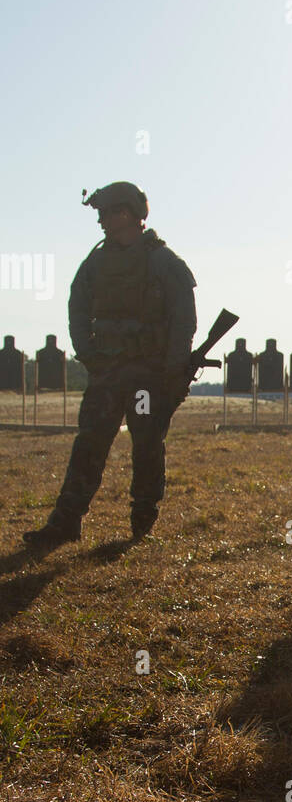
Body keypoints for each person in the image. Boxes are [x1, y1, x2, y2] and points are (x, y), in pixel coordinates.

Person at [23, 182, 197, 548]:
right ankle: (65, 522)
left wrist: (174, 371)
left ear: (125, 213)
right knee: (88, 444)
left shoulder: (163, 262)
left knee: (147, 445)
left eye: (105, 213)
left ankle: (142, 519)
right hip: (108, 375)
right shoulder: (97, 262)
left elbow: (184, 319)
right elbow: (78, 307)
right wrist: (87, 353)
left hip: (147, 378)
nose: (101, 221)